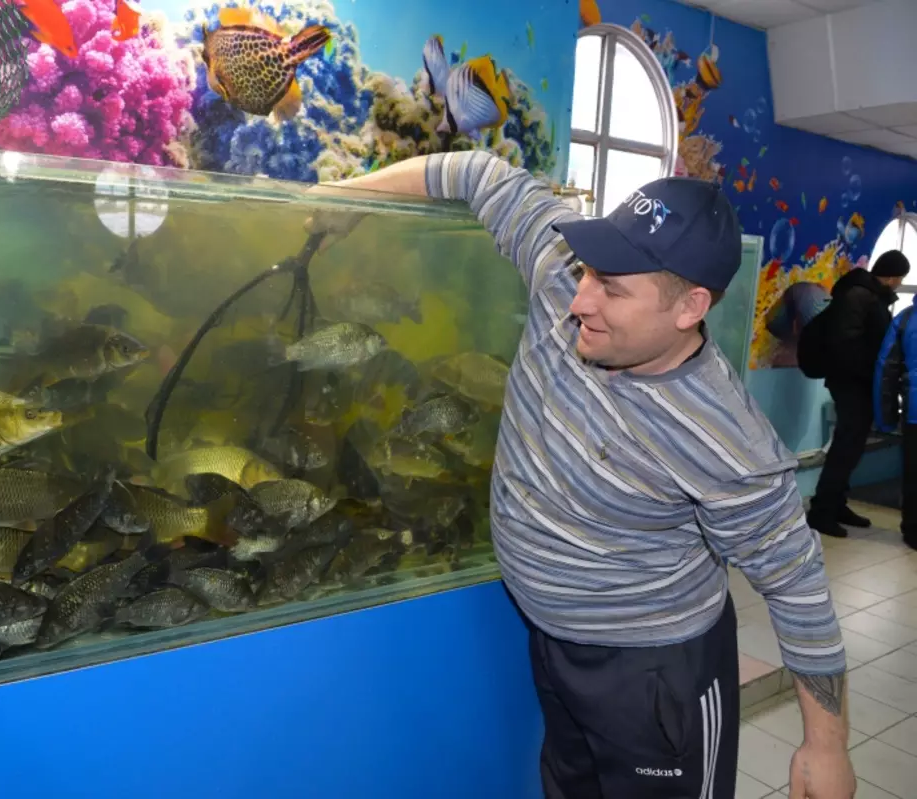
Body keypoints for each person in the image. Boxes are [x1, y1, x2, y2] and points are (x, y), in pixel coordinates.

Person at [306, 152, 853, 799]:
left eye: (613, 287)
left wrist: (825, 745)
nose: (580, 298)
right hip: (554, 643)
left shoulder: (726, 439)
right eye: (590, 268)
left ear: (690, 307)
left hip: (655, 676)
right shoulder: (562, 272)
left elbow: (799, 588)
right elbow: (480, 175)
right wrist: (345, 199)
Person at [807, 250, 909, 538]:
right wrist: (872, 373)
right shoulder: (858, 295)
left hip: (858, 383)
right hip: (850, 383)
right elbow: (846, 344)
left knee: (851, 447)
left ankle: (837, 503)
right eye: (900, 278)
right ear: (891, 276)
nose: (899, 284)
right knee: (845, 447)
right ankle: (821, 511)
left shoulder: (869, 295)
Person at [874, 292, 917, 550]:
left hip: (914, 414)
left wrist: (885, 418)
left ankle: (913, 530)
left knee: (913, 474)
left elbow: (885, 369)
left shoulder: (905, 319)